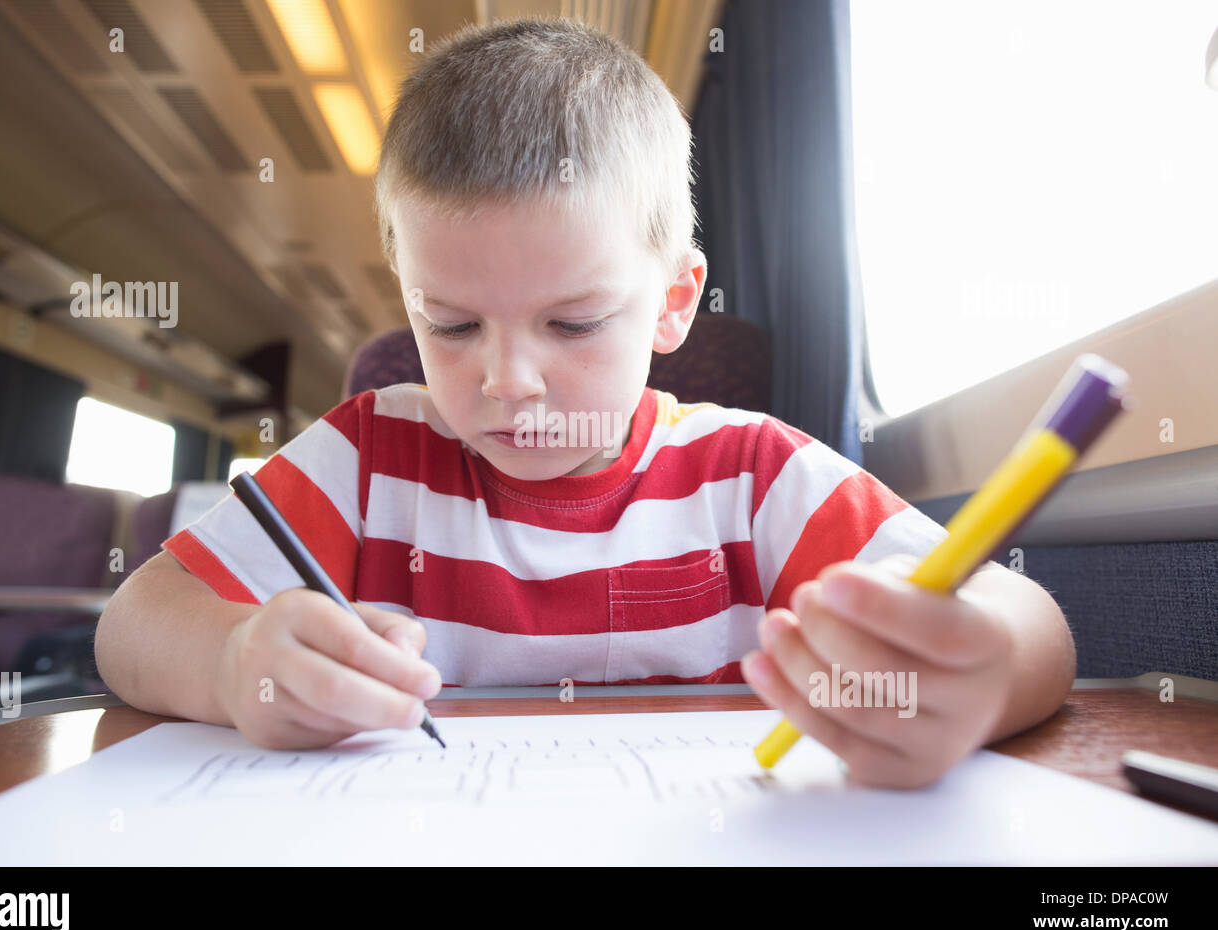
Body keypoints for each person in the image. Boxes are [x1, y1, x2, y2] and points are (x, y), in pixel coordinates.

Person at [95, 18, 1075, 788]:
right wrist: (235, 662)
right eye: (450, 324)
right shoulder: (363, 458)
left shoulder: (751, 473)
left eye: (571, 324)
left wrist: (977, 667)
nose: (507, 381)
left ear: (673, 303)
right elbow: (133, 626)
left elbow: (1021, 615)